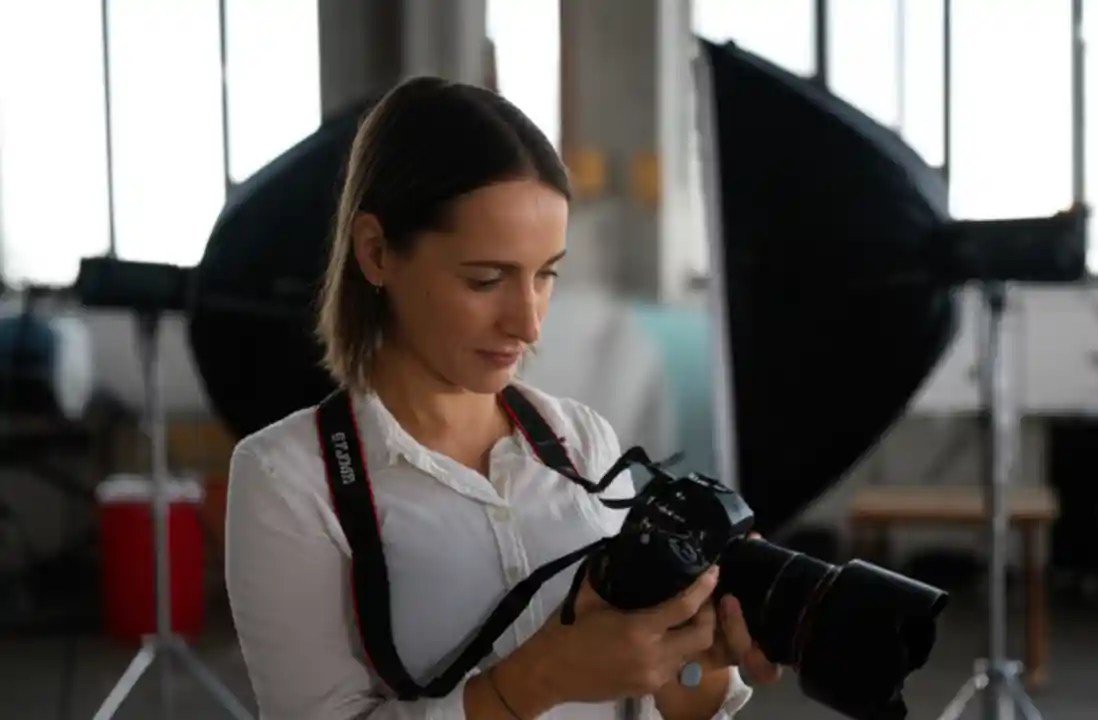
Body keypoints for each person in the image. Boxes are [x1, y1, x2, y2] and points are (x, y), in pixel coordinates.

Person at [224, 76, 781, 719]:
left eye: (546, 275)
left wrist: (698, 655)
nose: (529, 323)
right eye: (487, 279)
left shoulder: (583, 443)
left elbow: (666, 706)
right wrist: (539, 678)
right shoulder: (290, 479)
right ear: (376, 253)